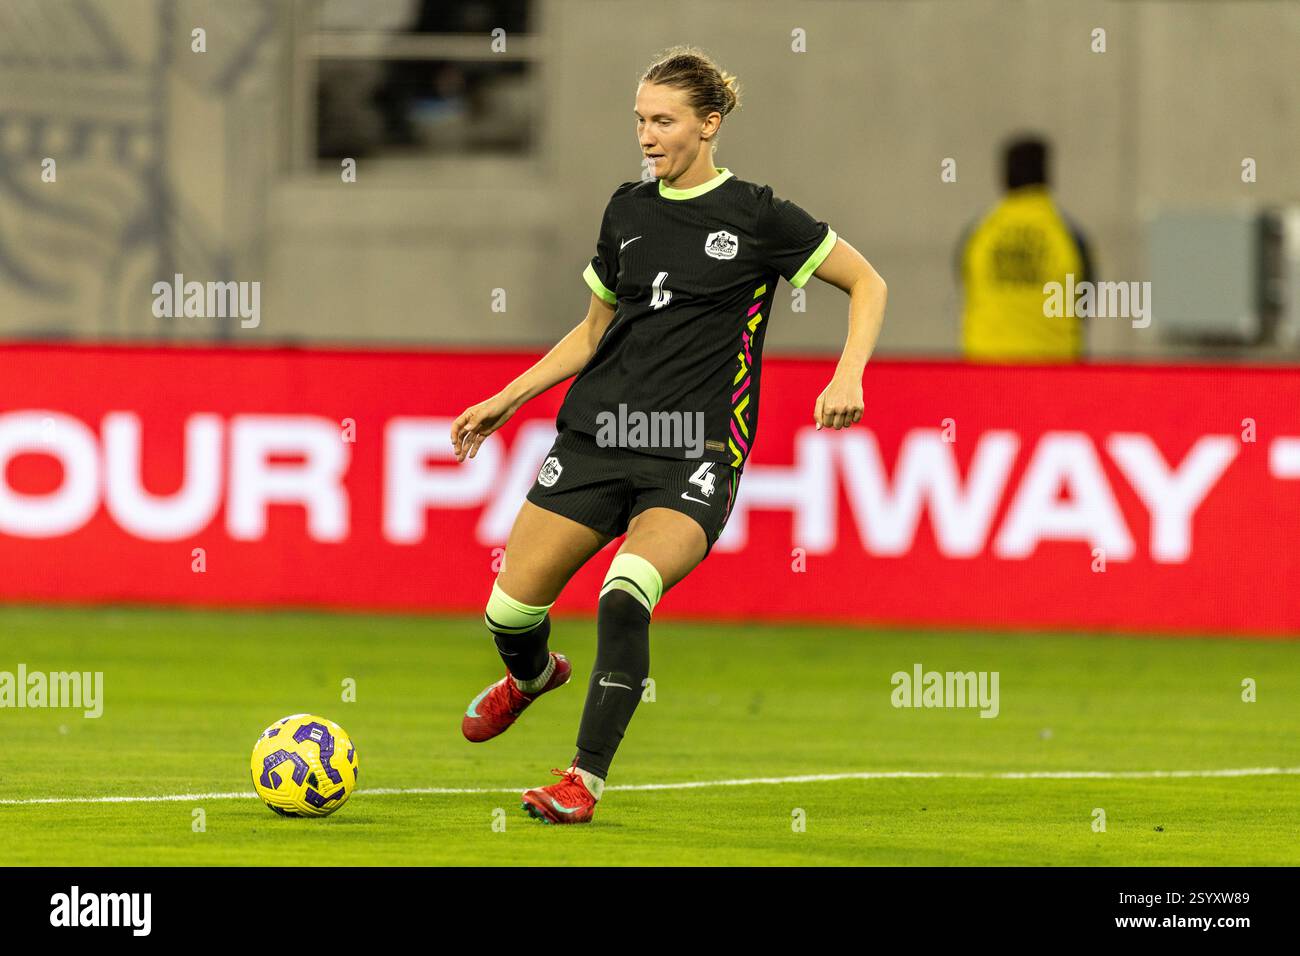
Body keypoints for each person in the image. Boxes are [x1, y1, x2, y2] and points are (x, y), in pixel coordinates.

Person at [448, 46, 887, 824]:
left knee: (626, 595)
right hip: (598, 435)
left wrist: (848, 373)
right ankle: (533, 677)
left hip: (695, 450)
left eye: (663, 120)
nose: (646, 136)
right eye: (640, 120)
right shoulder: (628, 210)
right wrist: (508, 398)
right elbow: (592, 333)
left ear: (708, 125)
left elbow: (867, 281)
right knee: (509, 615)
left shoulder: (758, 215)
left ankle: (582, 780)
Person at [957, 136, 1094, 361]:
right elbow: (1086, 301)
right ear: (1047, 176)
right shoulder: (1067, 235)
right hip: (1053, 368)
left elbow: (965, 286)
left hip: (984, 367)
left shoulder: (979, 233)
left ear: (1004, 177)